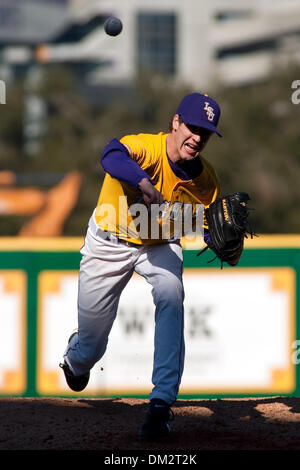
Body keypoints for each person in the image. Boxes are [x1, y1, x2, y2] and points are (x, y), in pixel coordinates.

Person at [60, 92, 221, 440]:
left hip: (159, 243)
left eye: (205, 133)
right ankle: (76, 356)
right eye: (193, 127)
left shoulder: (206, 179)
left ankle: (161, 403)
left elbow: (203, 222)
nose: (197, 138)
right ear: (175, 123)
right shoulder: (146, 147)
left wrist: (214, 237)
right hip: (108, 241)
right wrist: (144, 182)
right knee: (87, 353)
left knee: (170, 293)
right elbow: (111, 154)